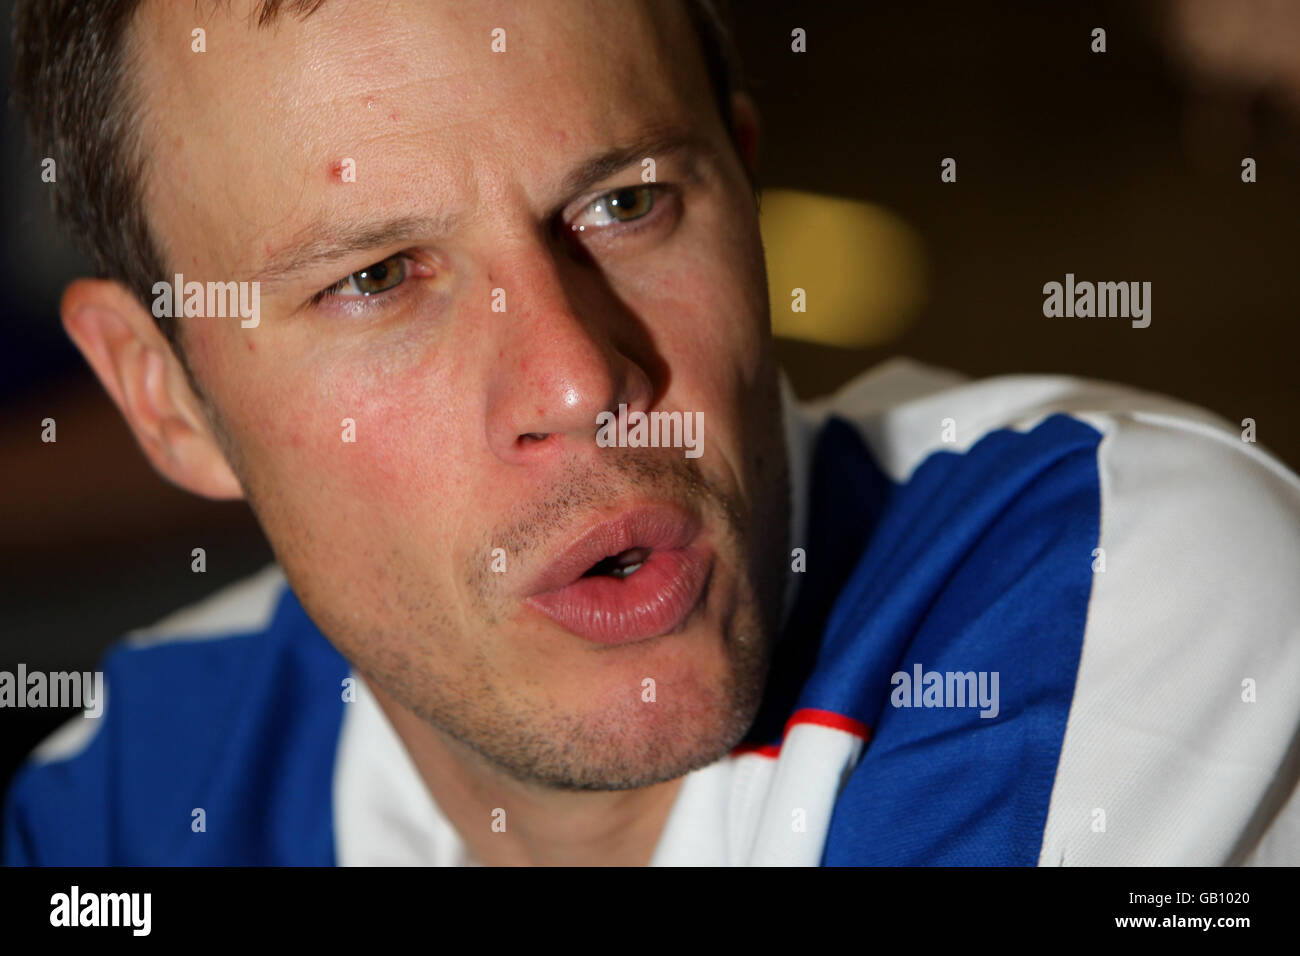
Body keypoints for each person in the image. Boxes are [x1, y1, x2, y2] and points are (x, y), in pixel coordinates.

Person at [5, 0, 1299, 866]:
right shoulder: (120, 798)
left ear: (740, 186)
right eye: (376, 280)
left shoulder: (1107, 590)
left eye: (626, 202)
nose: (576, 379)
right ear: (163, 399)